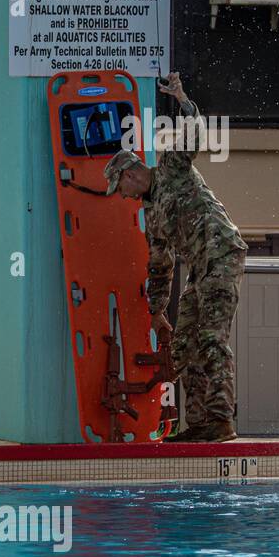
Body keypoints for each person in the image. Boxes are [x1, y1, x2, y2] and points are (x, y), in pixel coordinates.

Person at [102, 72, 247, 443]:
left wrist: (182, 100)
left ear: (132, 172)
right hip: (201, 270)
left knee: (212, 339)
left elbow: (195, 132)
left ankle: (221, 419)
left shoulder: (171, 167)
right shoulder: (151, 216)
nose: (124, 196)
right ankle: (199, 422)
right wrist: (156, 311)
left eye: (122, 188)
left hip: (222, 255)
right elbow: (160, 265)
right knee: (185, 345)